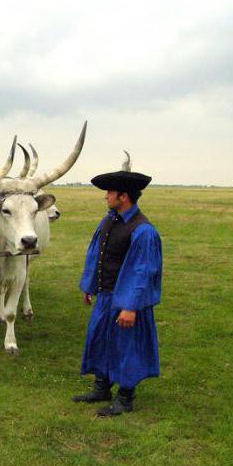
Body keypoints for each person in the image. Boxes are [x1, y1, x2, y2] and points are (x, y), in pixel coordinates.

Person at [73, 153, 162, 417]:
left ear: (123, 197)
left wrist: (130, 307)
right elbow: (97, 254)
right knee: (100, 340)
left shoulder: (143, 231)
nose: (106, 197)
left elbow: (142, 272)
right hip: (106, 297)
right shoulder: (109, 220)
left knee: (127, 347)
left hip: (126, 301)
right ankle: (102, 388)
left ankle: (125, 398)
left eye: (110, 193)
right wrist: (90, 285)